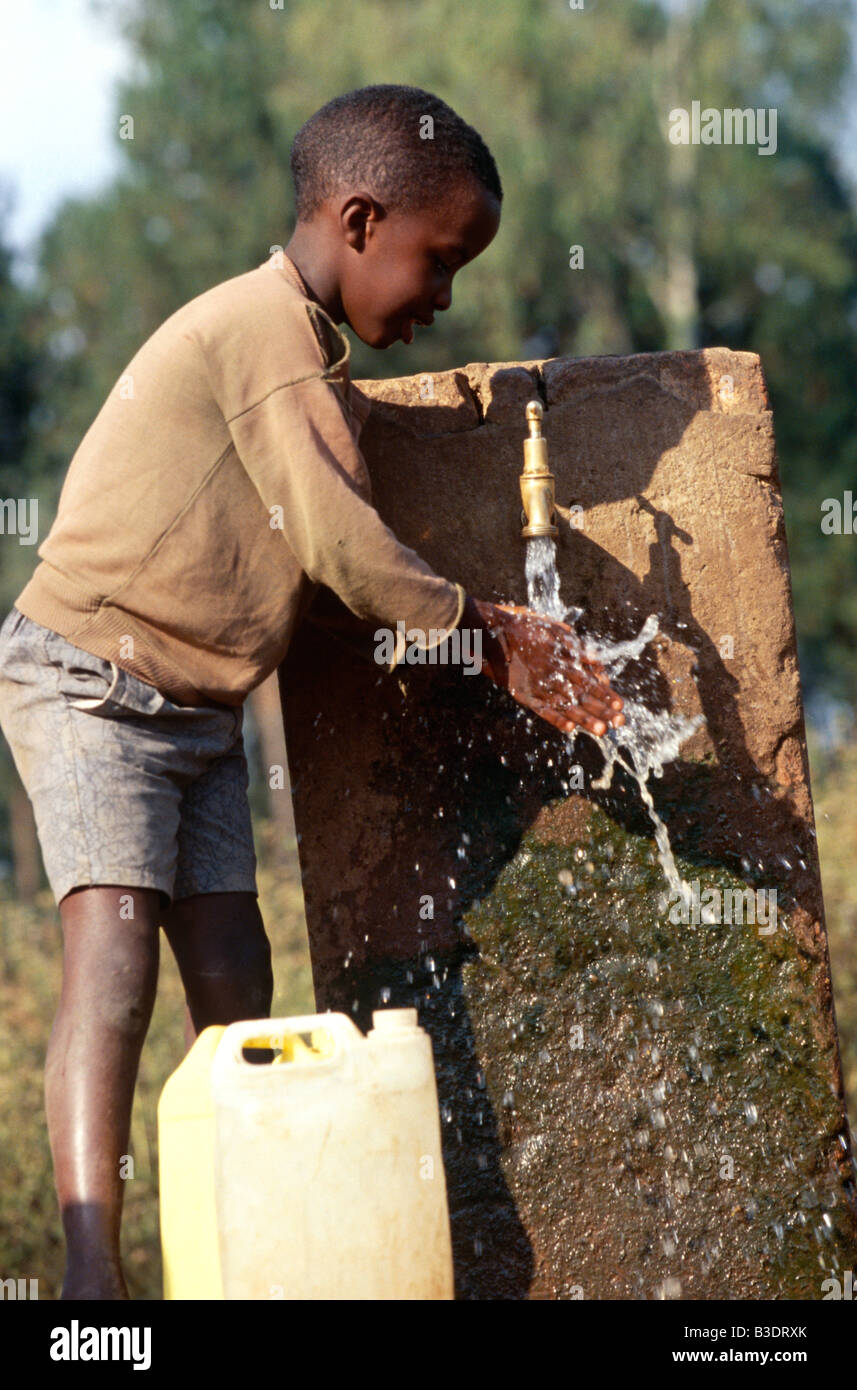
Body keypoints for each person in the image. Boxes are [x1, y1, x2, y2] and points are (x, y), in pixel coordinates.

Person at [0, 83, 623, 1300]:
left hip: (194, 709)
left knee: (236, 976)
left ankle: (238, 1239)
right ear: (355, 220)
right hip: (90, 676)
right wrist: (491, 638)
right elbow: (343, 545)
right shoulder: (264, 337)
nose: (444, 298)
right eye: (435, 262)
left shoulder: (312, 360)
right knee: (113, 945)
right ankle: (88, 1278)